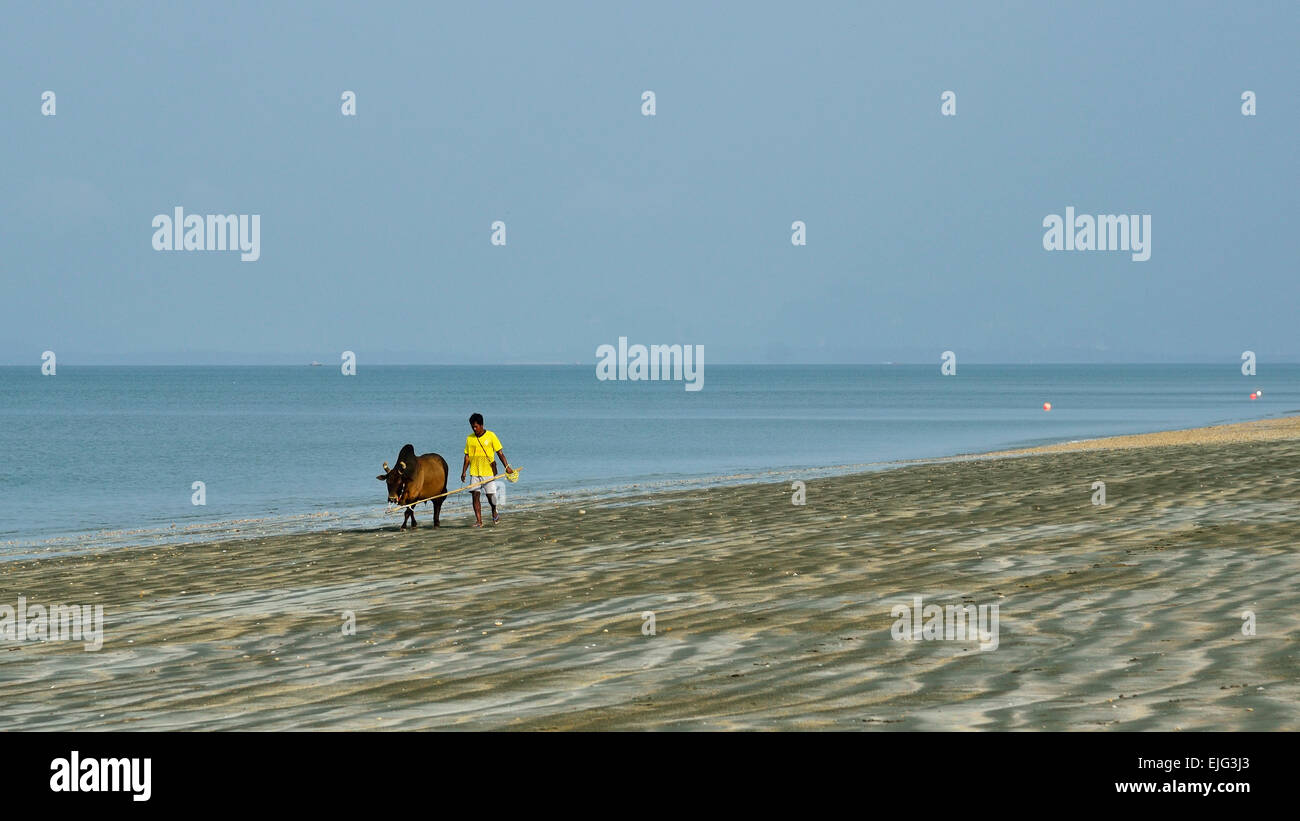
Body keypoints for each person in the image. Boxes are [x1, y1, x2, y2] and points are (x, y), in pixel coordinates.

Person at [461, 413, 514, 527]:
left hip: (488, 472)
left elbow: (500, 453)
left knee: (491, 497)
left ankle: (494, 510)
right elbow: (467, 457)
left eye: (476, 426)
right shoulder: (469, 438)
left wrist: (507, 467)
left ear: (482, 425)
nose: (474, 429)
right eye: (472, 427)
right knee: (475, 496)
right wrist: (464, 471)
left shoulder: (491, 436)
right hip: (474, 472)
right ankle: (479, 521)